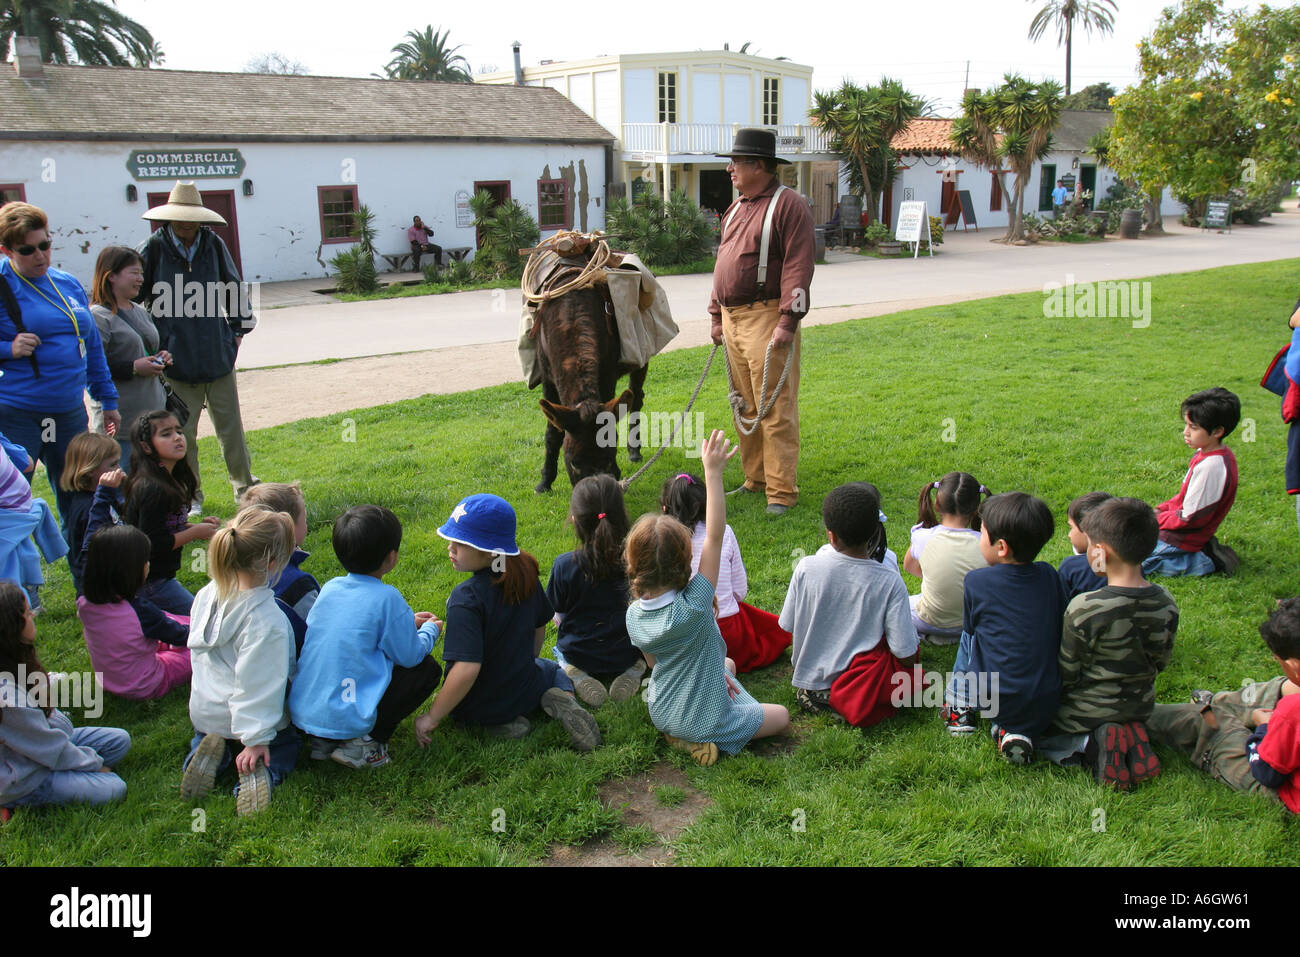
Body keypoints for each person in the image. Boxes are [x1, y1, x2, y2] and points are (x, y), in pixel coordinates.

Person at [625, 430, 789, 765]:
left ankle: (679, 732)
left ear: (634, 564)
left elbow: (656, 665)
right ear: (684, 562)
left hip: (662, 709)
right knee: (782, 716)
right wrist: (712, 474)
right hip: (708, 718)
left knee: (726, 665)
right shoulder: (696, 603)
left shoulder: (633, 615)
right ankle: (699, 739)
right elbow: (713, 536)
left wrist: (714, 676)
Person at [414, 493, 601, 751]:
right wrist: (529, 662)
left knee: (467, 702)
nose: (451, 548)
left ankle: (500, 724)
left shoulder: (465, 599)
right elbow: (539, 627)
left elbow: (466, 669)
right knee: (550, 669)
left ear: (492, 553)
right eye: (450, 540)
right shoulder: (524, 574)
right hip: (524, 688)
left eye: (461, 542)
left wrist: (431, 717)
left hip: (477, 702)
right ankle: (564, 698)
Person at [708, 128, 815, 516]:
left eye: (736, 162)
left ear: (759, 165)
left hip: (766, 316)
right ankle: (755, 478)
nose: (730, 169)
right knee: (744, 405)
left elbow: (798, 266)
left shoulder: (789, 206)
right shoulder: (737, 208)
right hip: (734, 320)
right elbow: (723, 263)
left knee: (774, 406)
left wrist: (788, 321)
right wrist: (716, 314)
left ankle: (781, 491)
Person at [1038, 498, 1178, 789]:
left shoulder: (1085, 607)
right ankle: (1132, 735)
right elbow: (1160, 661)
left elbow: (1068, 670)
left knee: (1037, 733)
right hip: (1140, 705)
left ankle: (1091, 743)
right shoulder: (1166, 603)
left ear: (1101, 552)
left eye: (1090, 545)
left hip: (1086, 711)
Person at [290, 505, 442, 769]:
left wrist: (406, 623)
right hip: (347, 714)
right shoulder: (387, 598)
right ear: (391, 557)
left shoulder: (329, 589)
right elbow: (410, 655)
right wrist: (430, 630)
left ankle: (323, 738)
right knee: (426, 669)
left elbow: (353, 630)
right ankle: (366, 744)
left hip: (304, 710)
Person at [139, 181, 257, 511]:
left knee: (231, 430)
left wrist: (236, 332)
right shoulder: (154, 248)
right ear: (170, 218)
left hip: (216, 352)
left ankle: (245, 489)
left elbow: (232, 286)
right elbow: (134, 297)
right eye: (181, 218)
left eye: (192, 219)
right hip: (176, 359)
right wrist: (151, 343)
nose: (187, 225)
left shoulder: (213, 244)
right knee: (183, 434)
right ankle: (190, 495)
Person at [0, 202, 120, 523]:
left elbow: (91, 345)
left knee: (78, 501)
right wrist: (8, 348)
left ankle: (83, 569)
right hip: (18, 414)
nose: (40, 255)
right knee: (9, 501)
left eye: (45, 245)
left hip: (67, 413)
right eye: (28, 250)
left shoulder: (65, 282)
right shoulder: (2, 284)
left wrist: (107, 399)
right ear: (6, 250)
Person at [180, 506, 298, 817]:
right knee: (286, 746)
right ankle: (256, 769)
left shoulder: (206, 595)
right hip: (246, 720)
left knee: (210, 734)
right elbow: (258, 683)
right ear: (273, 563)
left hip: (207, 714)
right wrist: (257, 739)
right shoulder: (266, 620)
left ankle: (205, 754)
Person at [781, 482, 919, 727]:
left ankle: (825, 697)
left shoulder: (806, 566)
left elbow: (787, 624)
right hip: (861, 685)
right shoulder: (889, 581)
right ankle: (848, 700)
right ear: (876, 531)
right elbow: (905, 652)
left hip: (809, 685)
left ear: (831, 536)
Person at [943, 492, 1067, 765]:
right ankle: (1010, 732)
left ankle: (959, 706)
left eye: (982, 532)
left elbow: (973, 634)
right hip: (1046, 696)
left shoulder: (977, 581)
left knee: (969, 638)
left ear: (1001, 547)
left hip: (991, 694)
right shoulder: (1049, 575)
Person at [1148, 598, 1300, 812]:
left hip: (1282, 792)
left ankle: (1132, 717)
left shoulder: (1292, 711)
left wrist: (1264, 729)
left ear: (1293, 665)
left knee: (1210, 721)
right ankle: (1219, 702)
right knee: (1288, 688)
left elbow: (1267, 772)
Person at [0, 582, 131, 810]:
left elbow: (48, 732)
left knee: (119, 741)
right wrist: (94, 765)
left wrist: (71, 750)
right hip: (23, 775)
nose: (32, 615)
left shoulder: (14, 659)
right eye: (26, 613)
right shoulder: (9, 699)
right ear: (11, 628)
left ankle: (67, 768)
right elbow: (48, 747)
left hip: (39, 746)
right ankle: (18, 800)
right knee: (114, 788)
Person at [659, 471, 790, 672]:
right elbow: (739, 591)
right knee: (763, 627)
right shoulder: (724, 533)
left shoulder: (658, 540)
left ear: (664, 508)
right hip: (727, 633)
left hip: (680, 635)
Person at [546, 475, 645, 706]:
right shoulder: (638, 560)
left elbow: (555, 613)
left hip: (578, 651)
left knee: (558, 642)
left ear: (575, 520)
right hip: (627, 650)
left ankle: (573, 670)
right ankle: (637, 667)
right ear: (622, 515)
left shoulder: (564, 566)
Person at [78, 524, 191, 701]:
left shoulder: (84, 603)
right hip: (145, 684)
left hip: (108, 679)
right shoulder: (141, 612)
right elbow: (182, 636)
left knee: (167, 621)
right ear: (131, 571)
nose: (148, 565)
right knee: (195, 653)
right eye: (145, 561)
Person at [123, 411, 220, 615]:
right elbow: (152, 543)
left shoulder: (167, 479)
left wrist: (199, 527)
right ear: (146, 446)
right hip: (149, 582)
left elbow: (164, 526)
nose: (177, 437)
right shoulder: (153, 488)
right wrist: (194, 533)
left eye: (179, 431)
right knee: (201, 621)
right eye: (166, 434)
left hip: (159, 578)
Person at [1142, 387, 1240, 577]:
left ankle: (1205, 561)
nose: (1186, 432)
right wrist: (1160, 510)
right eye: (1186, 425)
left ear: (1218, 431)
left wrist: (1156, 519)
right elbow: (1183, 498)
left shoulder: (1212, 467)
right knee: (1123, 540)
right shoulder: (1205, 453)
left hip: (1182, 537)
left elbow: (1190, 518)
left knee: (1129, 563)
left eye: (1193, 428)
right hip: (1174, 528)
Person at [88, 245, 170, 471]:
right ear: (111, 275)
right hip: (122, 423)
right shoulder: (97, 317)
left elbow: (144, 348)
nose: (140, 279)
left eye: (142, 273)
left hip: (153, 415)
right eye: (134, 273)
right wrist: (133, 367)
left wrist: (161, 357)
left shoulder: (139, 311)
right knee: (124, 488)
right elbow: (91, 366)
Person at [903, 472, 990, 645]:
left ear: (936, 504)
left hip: (926, 621)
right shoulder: (986, 543)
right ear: (976, 508)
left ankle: (935, 636)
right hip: (973, 624)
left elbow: (909, 566)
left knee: (897, 607)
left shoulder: (922, 537)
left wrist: (939, 576)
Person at [239, 482, 320, 654]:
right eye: (304, 519)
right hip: (288, 671)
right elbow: (321, 635)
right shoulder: (298, 585)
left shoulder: (233, 572)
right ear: (289, 526)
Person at [56, 431, 121, 595]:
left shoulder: (103, 496)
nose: (119, 469)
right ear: (90, 470)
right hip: (100, 590)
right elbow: (91, 555)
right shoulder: (88, 508)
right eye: (113, 465)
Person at [1058, 491, 1113, 601]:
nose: (1069, 535)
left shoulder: (1071, 567)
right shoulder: (1130, 563)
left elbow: (1060, 604)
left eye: (1071, 527)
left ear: (1087, 532)